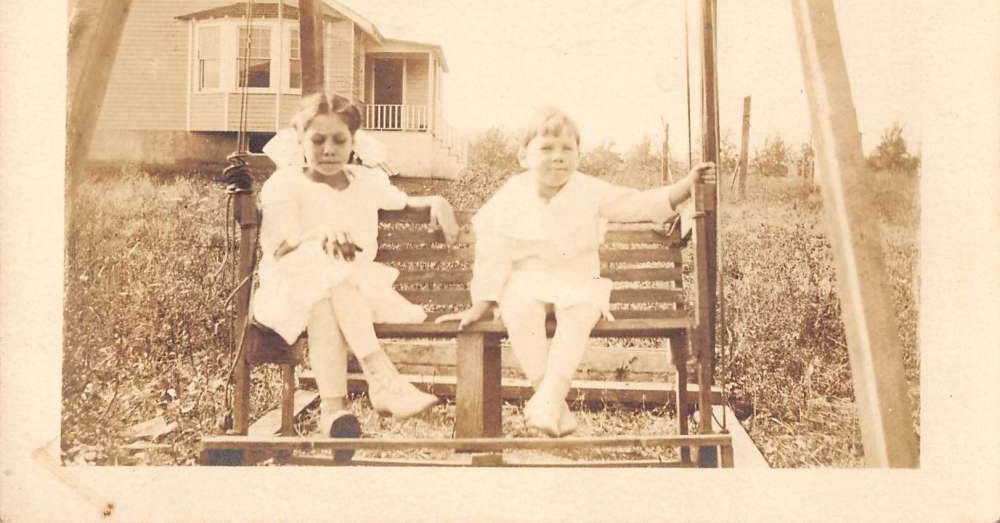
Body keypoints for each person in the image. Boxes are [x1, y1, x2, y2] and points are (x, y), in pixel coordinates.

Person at [437, 107, 715, 437]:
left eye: (567, 149)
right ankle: (552, 401)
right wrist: (482, 302)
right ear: (523, 157)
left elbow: (637, 203)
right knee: (517, 307)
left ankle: (550, 396)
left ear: (579, 155)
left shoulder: (588, 189)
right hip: (528, 279)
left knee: (580, 312)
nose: (558, 157)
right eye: (546, 148)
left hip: (577, 279)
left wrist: (686, 185)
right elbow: (493, 251)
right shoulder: (511, 195)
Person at [252, 92, 459, 452]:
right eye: (318, 140)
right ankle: (382, 379)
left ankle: (334, 411)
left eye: (339, 140)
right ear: (300, 140)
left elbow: (403, 201)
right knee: (326, 275)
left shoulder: (365, 182)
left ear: (353, 141)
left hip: (350, 295)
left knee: (328, 296)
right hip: (289, 289)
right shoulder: (285, 184)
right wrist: (319, 236)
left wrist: (436, 201)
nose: (328, 149)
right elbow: (281, 247)